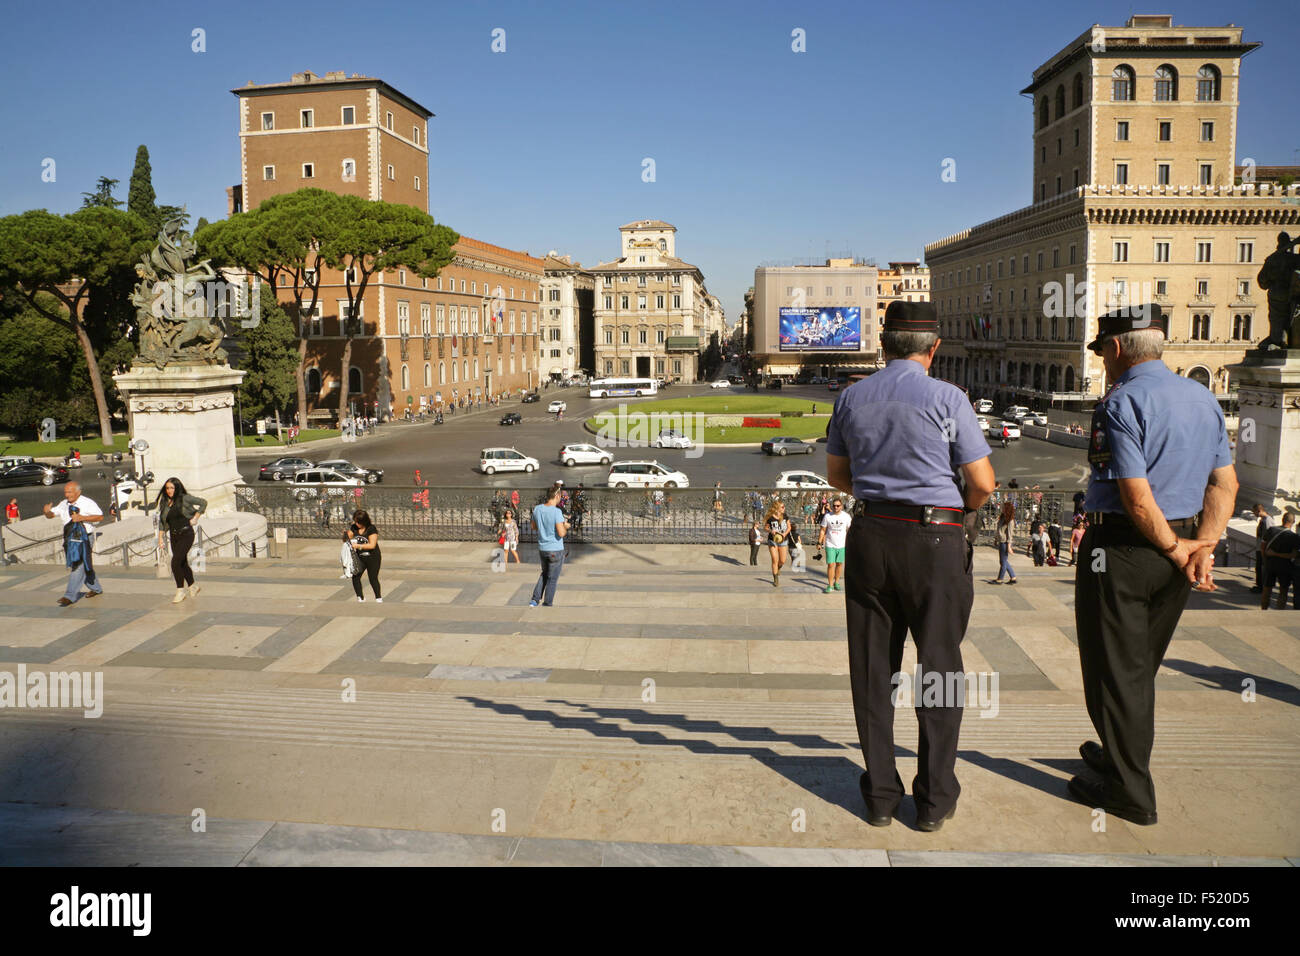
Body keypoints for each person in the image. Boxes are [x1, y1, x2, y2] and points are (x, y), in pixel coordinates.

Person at [825, 300, 995, 831]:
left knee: (874, 670)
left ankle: (879, 796)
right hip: (936, 541)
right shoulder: (949, 397)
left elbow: (836, 475)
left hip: (872, 534)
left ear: (883, 344)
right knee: (939, 668)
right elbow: (984, 484)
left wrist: (881, 499)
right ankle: (933, 800)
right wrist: (950, 512)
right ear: (934, 347)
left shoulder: (853, 396)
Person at [1070, 304, 1237, 826]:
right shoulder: (1202, 397)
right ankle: (1119, 753)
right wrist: (1200, 547)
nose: (1102, 364)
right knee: (1138, 666)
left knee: (1114, 671)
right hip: (1182, 551)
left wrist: (1171, 547)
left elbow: (1136, 497)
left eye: (1103, 354)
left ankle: (1130, 791)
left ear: (1117, 349)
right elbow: (1225, 484)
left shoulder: (1122, 402)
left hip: (1124, 549)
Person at [42, 481, 105, 606]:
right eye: (65, 492)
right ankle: (96, 588)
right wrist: (47, 512)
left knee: (78, 564)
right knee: (84, 563)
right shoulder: (63, 504)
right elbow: (52, 515)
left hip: (84, 538)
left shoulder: (87, 503)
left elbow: (100, 517)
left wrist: (83, 518)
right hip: (70, 539)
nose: (67, 495)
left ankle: (69, 596)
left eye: (70, 492)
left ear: (78, 492)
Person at [155, 477, 207, 604]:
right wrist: (160, 538)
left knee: (175, 562)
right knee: (182, 563)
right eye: (167, 488)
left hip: (186, 534)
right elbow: (163, 522)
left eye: (172, 488)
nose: (169, 490)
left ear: (177, 488)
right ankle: (193, 586)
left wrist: (196, 517)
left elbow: (203, 502)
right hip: (174, 536)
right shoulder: (165, 502)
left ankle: (180, 591)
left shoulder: (185, 498)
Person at [529, 483, 568, 607]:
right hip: (555, 549)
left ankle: (535, 600)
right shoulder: (556, 512)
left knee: (545, 573)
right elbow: (561, 533)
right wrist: (566, 526)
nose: (561, 499)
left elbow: (533, 527)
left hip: (542, 548)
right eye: (560, 496)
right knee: (552, 578)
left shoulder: (537, 509)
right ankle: (547, 603)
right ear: (557, 496)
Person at [1261, 512, 1298, 610]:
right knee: (1283, 590)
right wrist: (1278, 554)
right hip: (1285, 566)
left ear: (1282, 519)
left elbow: (1263, 547)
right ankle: (1279, 611)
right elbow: (1293, 555)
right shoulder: (1294, 537)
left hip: (1270, 564)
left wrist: (1265, 559)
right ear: (1293, 522)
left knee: (1267, 588)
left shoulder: (1271, 530)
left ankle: (1263, 610)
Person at [818, 496, 851, 593]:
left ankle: (836, 582)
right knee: (831, 564)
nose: (836, 507)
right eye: (834, 506)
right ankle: (830, 585)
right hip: (830, 543)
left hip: (842, 544)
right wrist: (819, 542)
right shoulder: (828, 516)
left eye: (838, 506)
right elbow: (823, 530)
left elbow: (850, 530)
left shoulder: (846, 516)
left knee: (839, 564)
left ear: (841, 506)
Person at [763, 499, 791, 587]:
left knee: (782, 561)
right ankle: (775, 578)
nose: (784, 508)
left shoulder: (785, 516)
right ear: (777, 508)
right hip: (773, 541)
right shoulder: (770, 518)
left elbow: (789, 527)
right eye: (782, 507)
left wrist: (784, 534)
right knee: (775, 559)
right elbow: (766, 528)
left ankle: (778, 568)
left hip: (783, 540)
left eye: (784, 506)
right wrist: (771, 531)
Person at [993, 502, 1018, 584]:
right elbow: (999, 530)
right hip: (1001, 540)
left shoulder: (1010, 520)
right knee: (1003, 561)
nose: (1002, 509)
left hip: (1005, 542)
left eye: (1003, 508)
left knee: (1003, 561)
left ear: (1007, 509)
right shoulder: (1003, 517)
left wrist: (1009, 546)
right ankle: (1013, 577)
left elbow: (1010, 534)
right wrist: (996, 539)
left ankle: (1000, 579)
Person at [1251, 503, 1273, 593]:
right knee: (1259, 567)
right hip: (1260, 548)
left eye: (1254, 512)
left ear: (1259, 511)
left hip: (1263, 549)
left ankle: (1261, 587)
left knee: (1261, 567)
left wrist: (1265, 550)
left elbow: (1268, 536)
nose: (1254, 514)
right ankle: (1259, 585)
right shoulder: (1263, 520)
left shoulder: (1267, 520)